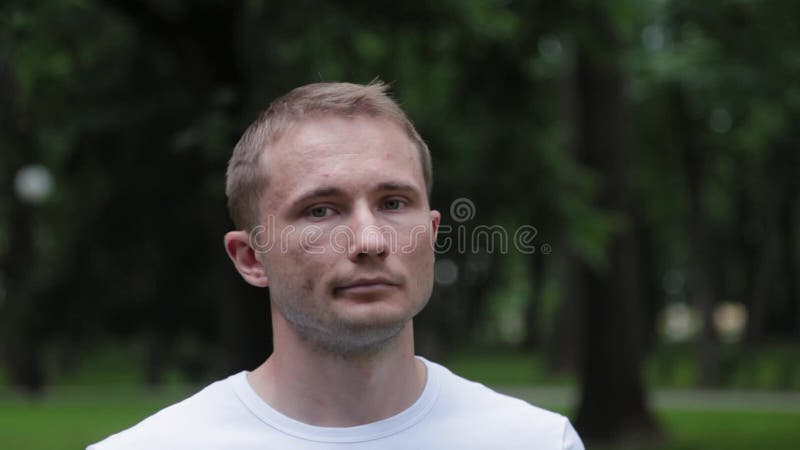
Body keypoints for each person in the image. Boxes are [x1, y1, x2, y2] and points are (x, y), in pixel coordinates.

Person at [88, 81, 584, 450]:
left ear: (431, 235)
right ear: (251, 257)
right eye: (321, 210)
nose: (369, 240)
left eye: (393, 203)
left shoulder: (535, 441)